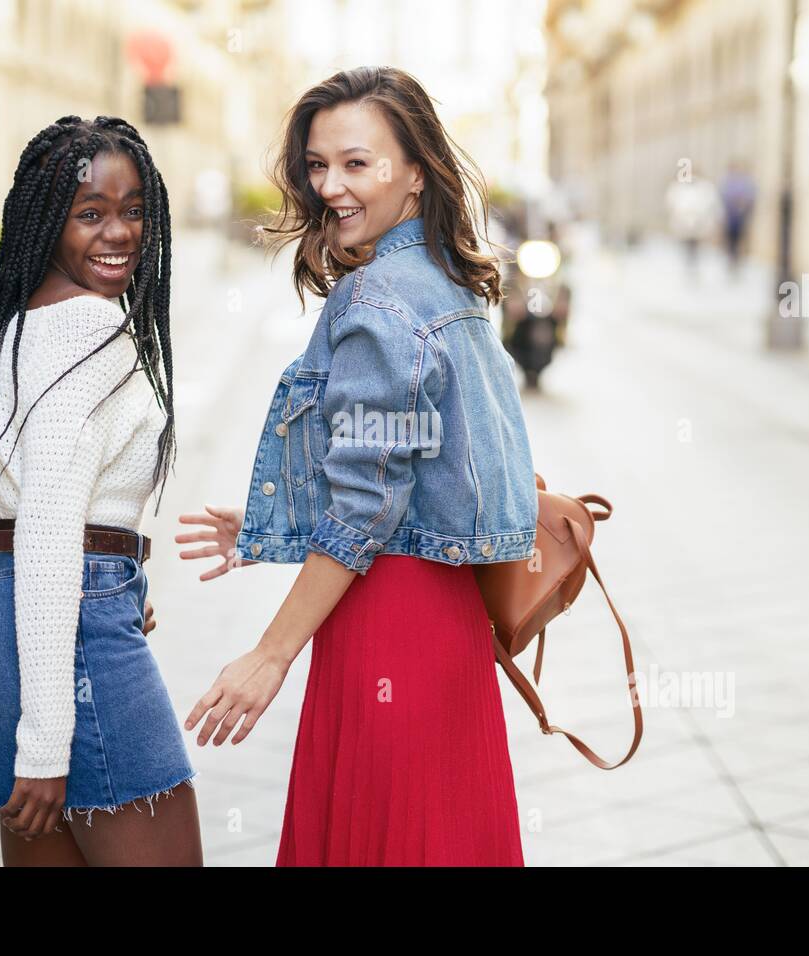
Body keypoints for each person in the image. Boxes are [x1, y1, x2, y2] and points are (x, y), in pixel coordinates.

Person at [175, 67, 537, 866]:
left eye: (356, 163)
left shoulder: (379, 301)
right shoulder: (444, 282)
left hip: (388, 624)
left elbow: (369, 505)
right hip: (443, 625)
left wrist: (268, 655)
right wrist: (280, 521)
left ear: (416, 172)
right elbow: (404, 471)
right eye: (316, 164)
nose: (329, 185)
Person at [0, 116, 201, 866]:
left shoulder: (16, 329)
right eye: (90, 213)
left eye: (134, 210)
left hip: (3, 624)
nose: (119, 233)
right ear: (44, 220)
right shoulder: (91, 331)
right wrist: (47, 742)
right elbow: (52, 531)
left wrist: (117, 573)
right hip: (67, 639)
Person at [718, 160, 757, 275]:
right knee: (730, 240)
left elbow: (751, 197)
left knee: (740, 239)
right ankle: (731, 260)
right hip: (730, 217)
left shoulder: (746, 182)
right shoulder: (727, 181)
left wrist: (744, 205)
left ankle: (737, 260)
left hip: (741, 217)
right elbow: (722, 197)